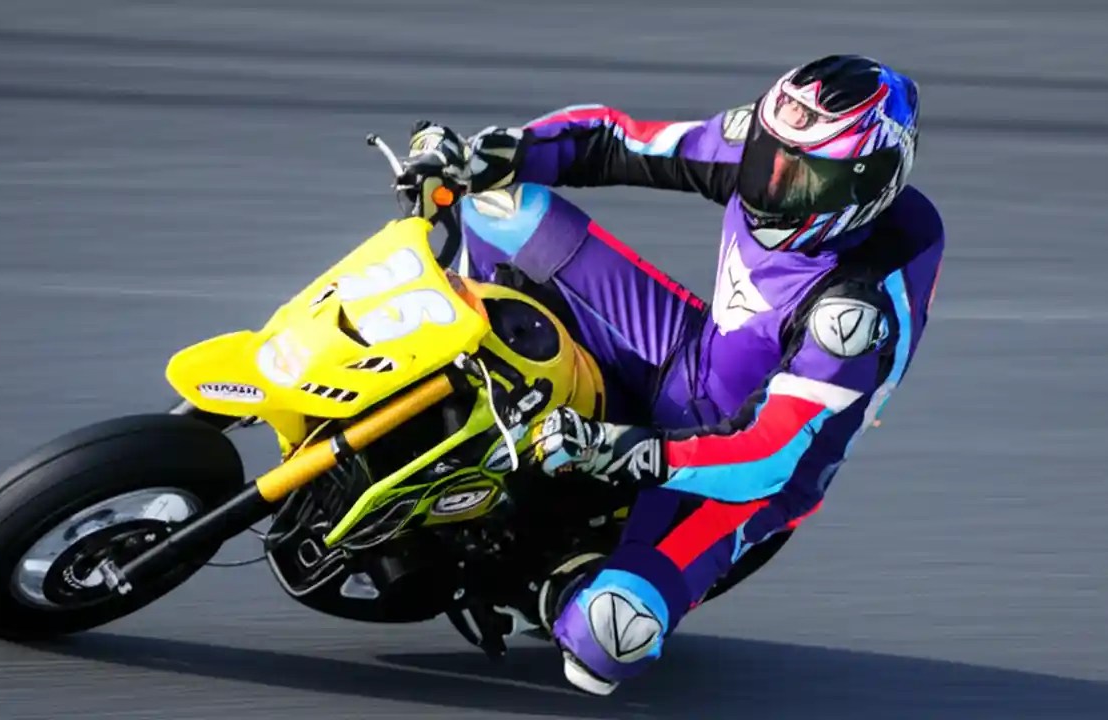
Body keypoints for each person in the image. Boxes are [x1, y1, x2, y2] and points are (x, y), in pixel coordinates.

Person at [399, 54, 944, 695]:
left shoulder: (854, 313)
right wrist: (485, 155)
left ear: (866, 185)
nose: (769, 182)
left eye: (798, 175)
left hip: (738, 482)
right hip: (689, 359)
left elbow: (768, 456)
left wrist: (622, 450)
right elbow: (617, 142)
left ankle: (549, 581)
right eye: (765, 154)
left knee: (606, 638)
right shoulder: (770, 151)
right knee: (498, 206)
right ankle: (451, 372)